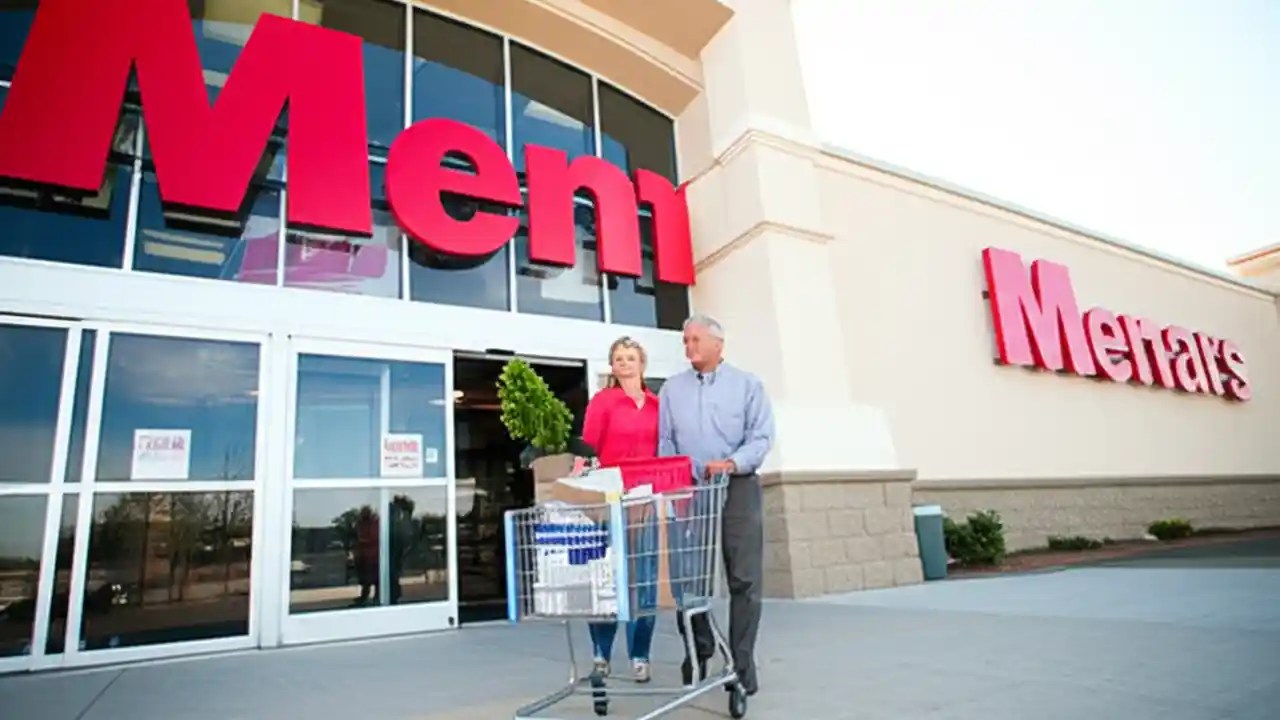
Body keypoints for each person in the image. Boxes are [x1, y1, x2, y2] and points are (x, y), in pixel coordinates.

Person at [658, 313, 775, 697]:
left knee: (744, 580)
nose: (689, 347)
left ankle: (742, 664)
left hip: (737, 487)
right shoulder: (671, 390)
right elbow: (666, 444)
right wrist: (683, 480)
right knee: (688, 580)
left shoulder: (748, 385)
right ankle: (699, 648)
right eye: (685, 341)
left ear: (717, 345)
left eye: (696, 340)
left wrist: (730, 463)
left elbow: (760, 438)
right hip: (691, 490)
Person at [581, 336, 661, 683]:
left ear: (642, 363)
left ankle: (640, 654)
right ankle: (601, 653)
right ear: (612, 366)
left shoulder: (658, 405)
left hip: (646, 500)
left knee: (644, 581)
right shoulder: (603, 401)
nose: (625, 363)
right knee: (607, 581)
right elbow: (588, 444)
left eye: (631, 357)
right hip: (610, 498)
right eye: (618, 358)